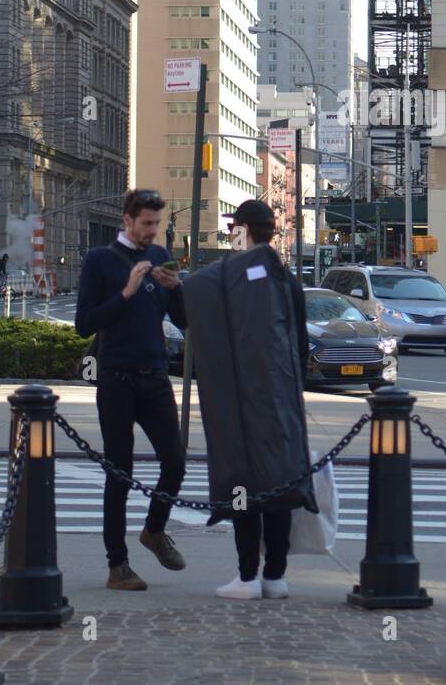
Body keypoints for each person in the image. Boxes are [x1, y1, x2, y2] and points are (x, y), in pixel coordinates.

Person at [75, 189, 188, 591]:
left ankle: (154, 530)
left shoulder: (158, 257)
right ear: (127, 221)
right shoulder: (100, 261)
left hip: (155, 376)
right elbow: (84, 323)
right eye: (146, 224)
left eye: (157, 224)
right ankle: (117, 565)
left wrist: (175, 288)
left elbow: (183, 319)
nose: (153, 232)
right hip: (117, 378)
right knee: (119, 472)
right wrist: (125, 292)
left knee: (175, 462)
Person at [215, 198, 309, 601]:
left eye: (235, 227)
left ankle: (247, 576)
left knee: (245, 486)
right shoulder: (287, 280)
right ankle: (276, 575)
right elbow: (300, 344)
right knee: (279, 483)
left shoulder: (239, 276)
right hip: (284, 399)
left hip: (245, 398)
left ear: (243, 229)